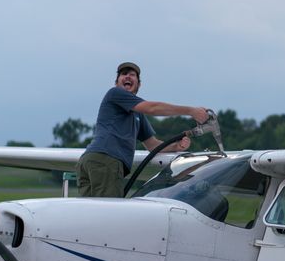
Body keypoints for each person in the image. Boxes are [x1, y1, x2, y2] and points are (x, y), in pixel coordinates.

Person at [76, 62, 211, 197]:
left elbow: (153, 145)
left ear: (139, 84)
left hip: (92, 160)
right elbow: (152, 108)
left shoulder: (137, 114)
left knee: (90, 210)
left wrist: (176, 146)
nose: (128, 76)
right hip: (106, 159)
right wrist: (190, 111)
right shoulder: (115, 93)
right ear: (116, 83)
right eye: (123, 74)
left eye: (132, 75)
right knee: (108, 210)